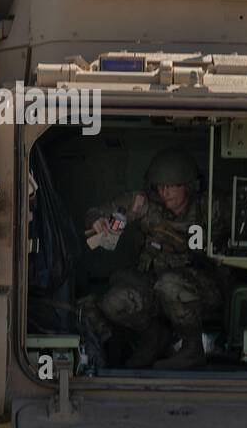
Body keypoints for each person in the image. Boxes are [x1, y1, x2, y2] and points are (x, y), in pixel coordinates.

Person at [77, 148, 224, 370]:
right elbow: (99, 212)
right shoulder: (146, 205)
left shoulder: (209, 208)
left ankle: (193, 349)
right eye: (160, 186)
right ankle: (155, 338)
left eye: (172, 185)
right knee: (113, 302)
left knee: (170, 285)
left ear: (188, 185)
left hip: (200, 290)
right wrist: (97, 220)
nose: (165, 192)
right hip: (155, 285)